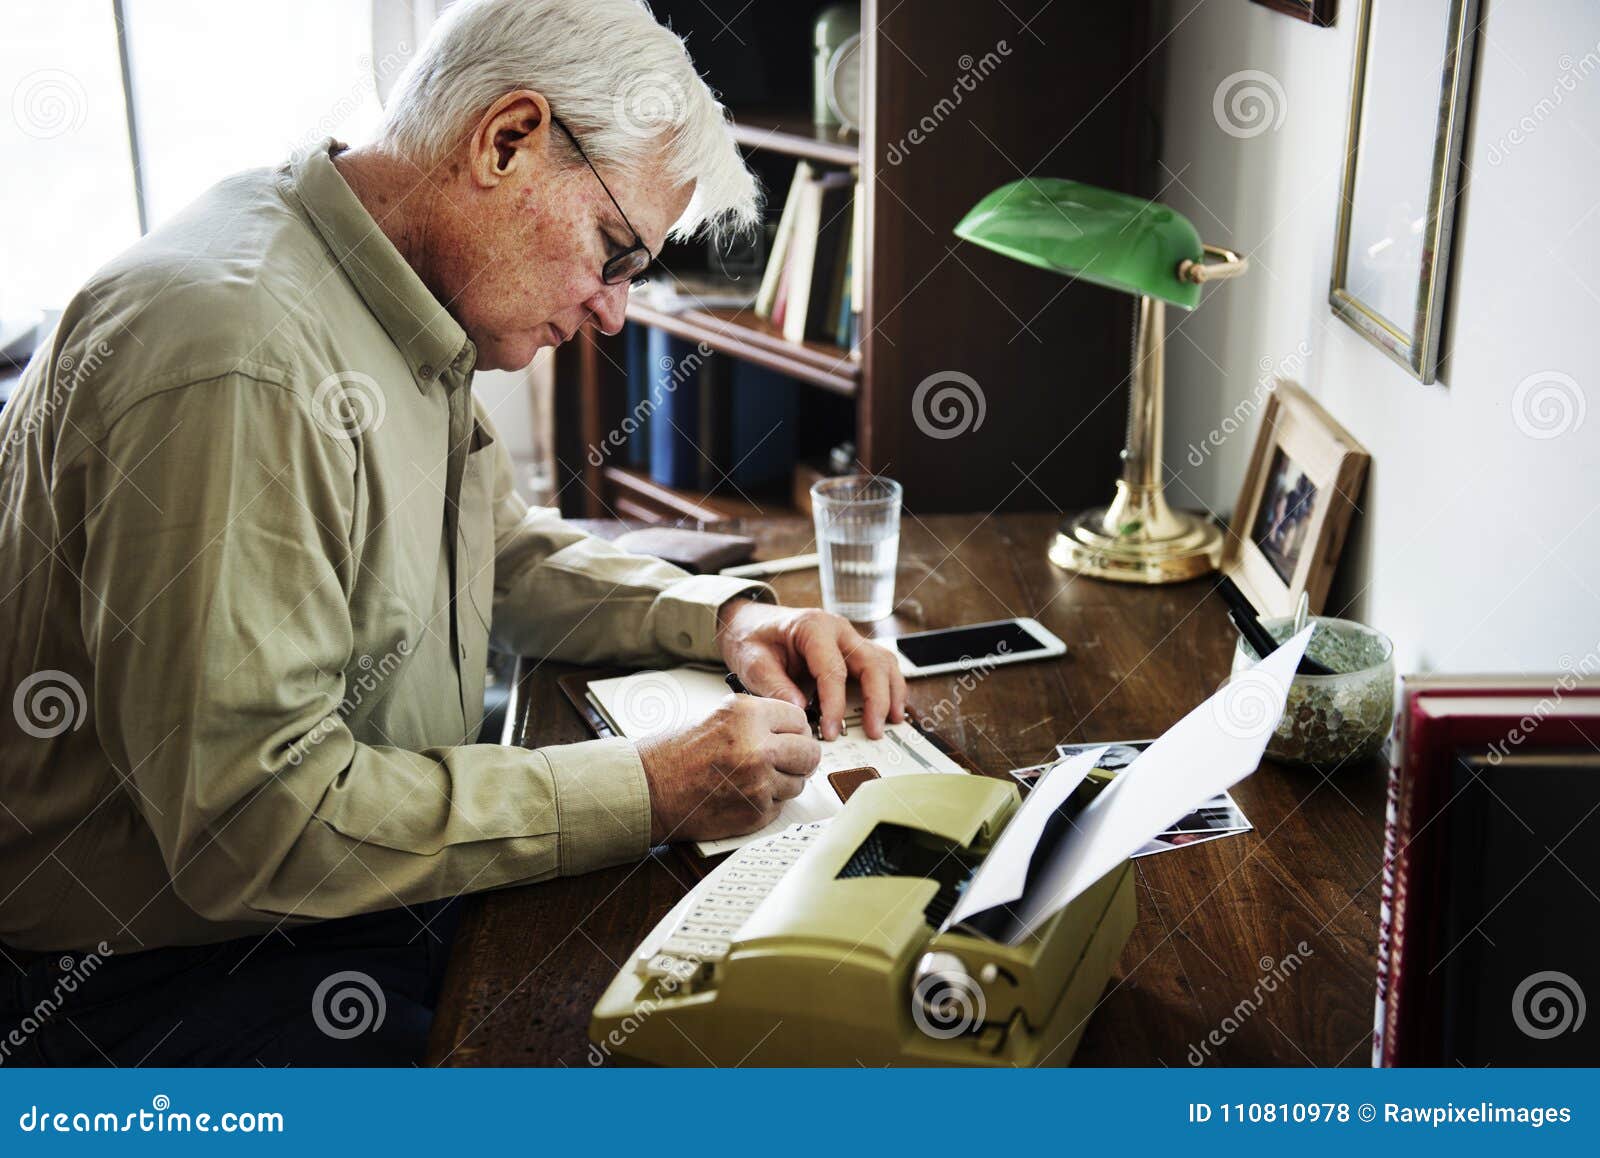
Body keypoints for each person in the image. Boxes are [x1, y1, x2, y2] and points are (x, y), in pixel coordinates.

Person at [0, 0, 906, 1065]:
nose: (614, 312)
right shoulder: (239, 354)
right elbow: (255, 826)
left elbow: (499, 549)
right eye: (613, 252)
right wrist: (651, 789)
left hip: (322, 902)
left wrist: (728, 616)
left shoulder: (374, 285)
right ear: (507, 139)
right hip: (151, 980)